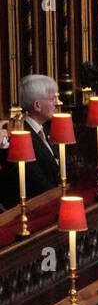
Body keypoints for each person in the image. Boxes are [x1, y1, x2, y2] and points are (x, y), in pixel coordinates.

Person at [0, 74, 61, 208]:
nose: (57, 103)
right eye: (52, 99)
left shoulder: (47, 128)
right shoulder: (21, 135)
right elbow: (37, 181)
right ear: (37, 105)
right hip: (39, 209)